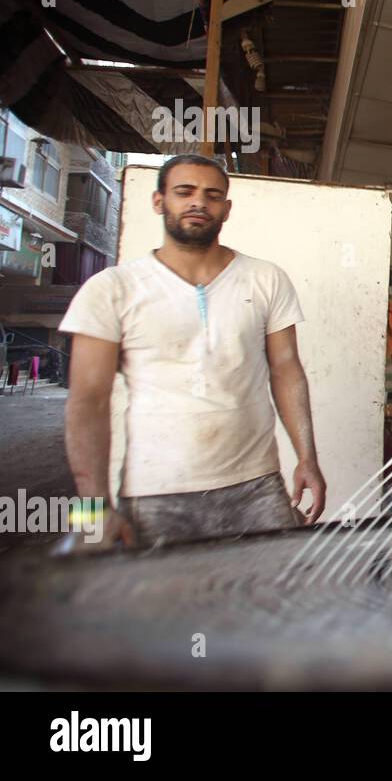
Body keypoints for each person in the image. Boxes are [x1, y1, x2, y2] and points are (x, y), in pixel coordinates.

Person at [59, 154, 326, 547]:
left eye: (212, 195)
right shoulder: (112, 289)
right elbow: (87, 402)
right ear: (158, 201)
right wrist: (93, 511)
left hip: (256, 486)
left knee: (269, 602)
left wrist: (307, 459)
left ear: (227, 209)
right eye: (184, 192)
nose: (199, 202)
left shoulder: (265, 279)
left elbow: (287, 371)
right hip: (155, 493)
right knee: (166, 607)